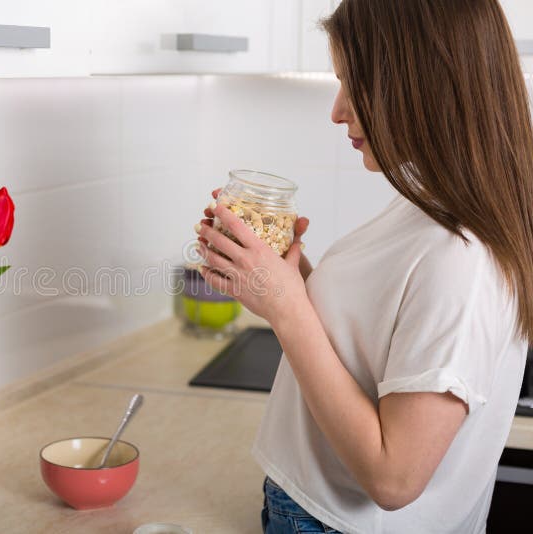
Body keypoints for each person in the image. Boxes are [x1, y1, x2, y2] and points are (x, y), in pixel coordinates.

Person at [195, 0, 533, 532]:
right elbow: (370, 345)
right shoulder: (428, 204)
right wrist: (280, 276)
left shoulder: (460, 257)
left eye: (356, 83)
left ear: (425, 85)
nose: (337, 109)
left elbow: (394, 477)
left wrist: (285, 309)